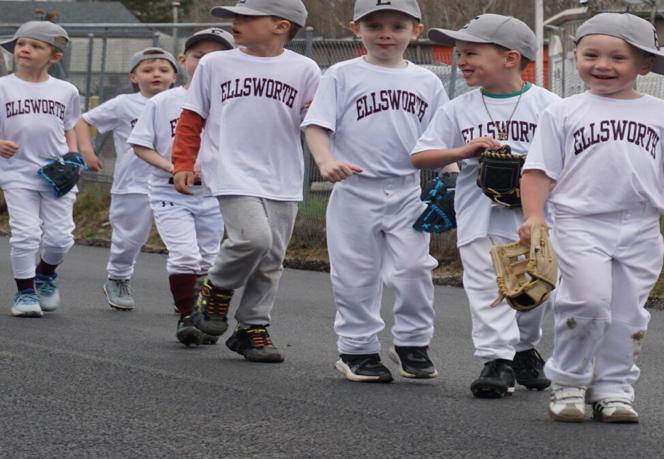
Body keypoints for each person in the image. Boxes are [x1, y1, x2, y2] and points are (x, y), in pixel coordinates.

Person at [519, 13, 664, 424]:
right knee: (586, 301)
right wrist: (534, 215)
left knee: (627, 313)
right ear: (577, 57)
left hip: (640, 225)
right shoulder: (564, 112)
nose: (602, 65)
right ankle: (568, 381)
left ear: (645, 65)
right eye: (591, 55)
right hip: (579, 221)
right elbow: (538, 171)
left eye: (618, 57)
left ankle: (614, 388)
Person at [411, 13, 560, 398]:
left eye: (472, 52)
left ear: (510, 59)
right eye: (460, 53)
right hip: (479, 214)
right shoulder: (458, 108)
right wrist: (462, 151)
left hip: (534, 217)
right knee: (486, 285)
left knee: (532, 289)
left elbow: (571, 161)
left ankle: (524, 349)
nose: (461, 60)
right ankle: (497, 360)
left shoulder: (550, 106)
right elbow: (420, 155)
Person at [303, 0, 449, 384]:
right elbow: (316, 125)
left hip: (406, 190)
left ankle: (412, 343)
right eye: (375, 25)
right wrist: (324, 160)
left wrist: (449, 176)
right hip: (354, 189)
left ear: (416, 31)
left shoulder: (428, 81)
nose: (386, 33)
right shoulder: (342, 74)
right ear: (356, 29)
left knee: (415, 269)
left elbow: (441, 138)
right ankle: (357, 349)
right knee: (356, 274)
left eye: (397, 25)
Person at [171, 0, 321, 363]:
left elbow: (316, 119)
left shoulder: (305, 68)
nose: (235, 23)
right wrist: (182, 162)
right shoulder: (215, 64)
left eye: (246, 17)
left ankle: (252, 327)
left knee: (271, 258)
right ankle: (216, 287)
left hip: (282, 173)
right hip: (229, 168)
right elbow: (192, 117)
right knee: (253, 238)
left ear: (281, 26)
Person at [128, 28, 236, 344]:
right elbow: (141, 145)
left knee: (209, 259)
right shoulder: (164, 102)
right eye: (199, 56)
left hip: (214, 192)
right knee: (185, 255)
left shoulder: (229, 101)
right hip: (169, 191)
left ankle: (204, 316)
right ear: (183, 60)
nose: (205, 63)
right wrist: (174, 167)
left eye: (216, 57)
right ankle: (187, 317)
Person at [75, 47, 179, 311]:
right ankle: (118, 277)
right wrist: (87, 151)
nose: (156, 74)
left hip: (175, 183)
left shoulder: (183, 103)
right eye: (148, 70)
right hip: (134, 183)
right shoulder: (124, 104)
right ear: (134, 77)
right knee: (130, 238)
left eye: (163, 70)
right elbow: (83, 121)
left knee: (184, 241)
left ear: (175, 76)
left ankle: (187, 293)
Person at [1, 20, 82, 318]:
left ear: (54, 56)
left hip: (57, 172)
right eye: (21, 44)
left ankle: (45, 274)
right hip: (16, 172)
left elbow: (68, 125)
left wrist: (74, 155)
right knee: (25, 234)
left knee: (61, 238)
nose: (25, 49)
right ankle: (25, 293)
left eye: (36, 46)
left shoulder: (66, 90)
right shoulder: (3, 87)